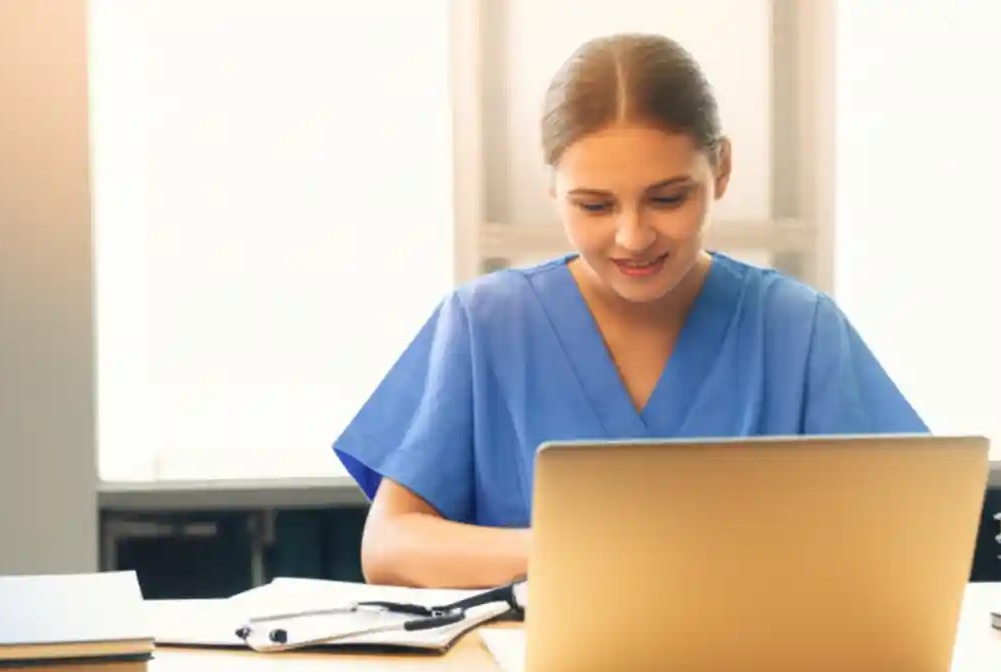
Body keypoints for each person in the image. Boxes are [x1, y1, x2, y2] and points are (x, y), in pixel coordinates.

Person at [333, 33, 926, 589]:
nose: (633, 237)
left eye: (668, 198)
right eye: (594, 205)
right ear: (552, 189)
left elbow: (907, 535)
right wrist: (588, 555)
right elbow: (389, 546)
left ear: (720, 169)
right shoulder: (485, 324)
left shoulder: (801, 330)